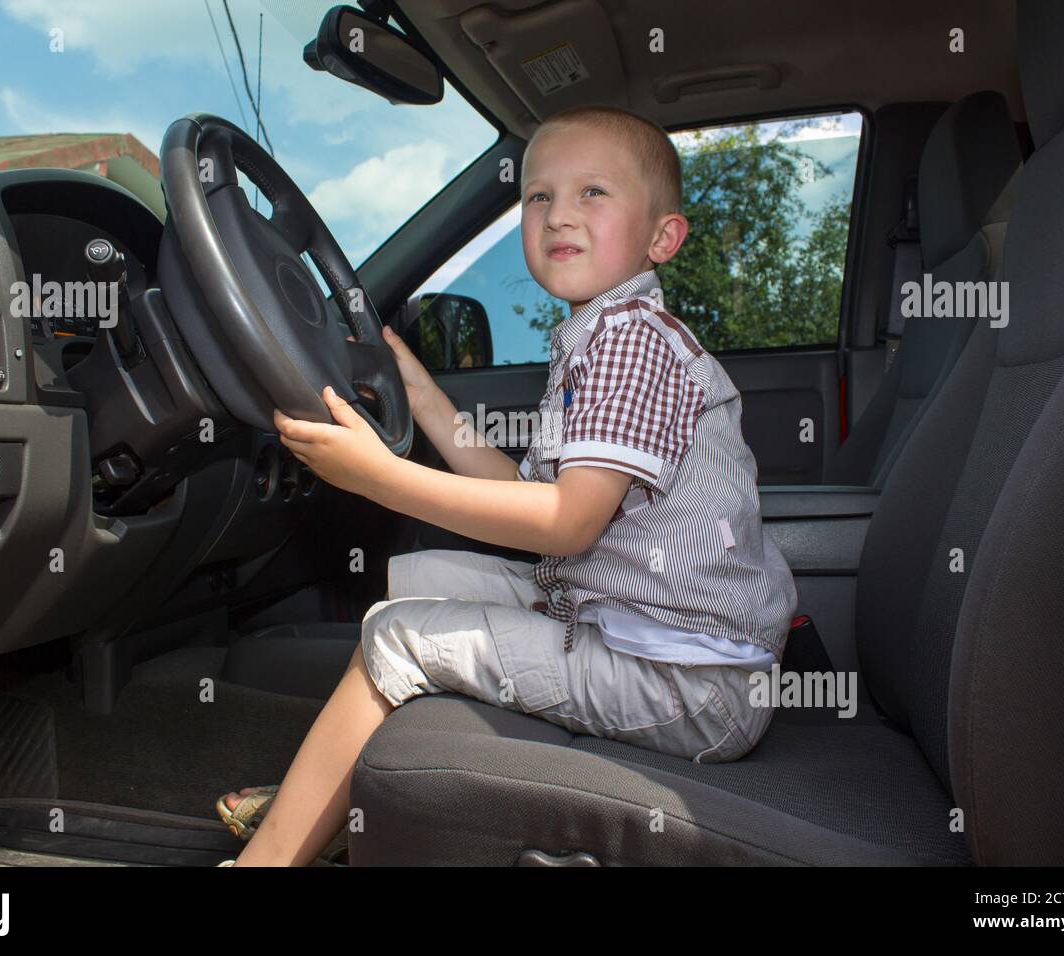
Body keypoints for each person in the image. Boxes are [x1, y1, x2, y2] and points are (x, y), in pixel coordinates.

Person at [217, 105, 798, 866]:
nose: (560, 214)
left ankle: (274, 857)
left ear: (663, 238)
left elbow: (563, 524)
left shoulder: (632, 346)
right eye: (539, 197)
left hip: (687, 684)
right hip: (645, 629)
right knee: (425, 577)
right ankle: (326, 802)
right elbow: (521, 487)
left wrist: (383, 478)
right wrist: (422, 395)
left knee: (397, 637)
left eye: (594, 192)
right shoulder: (602, 336)